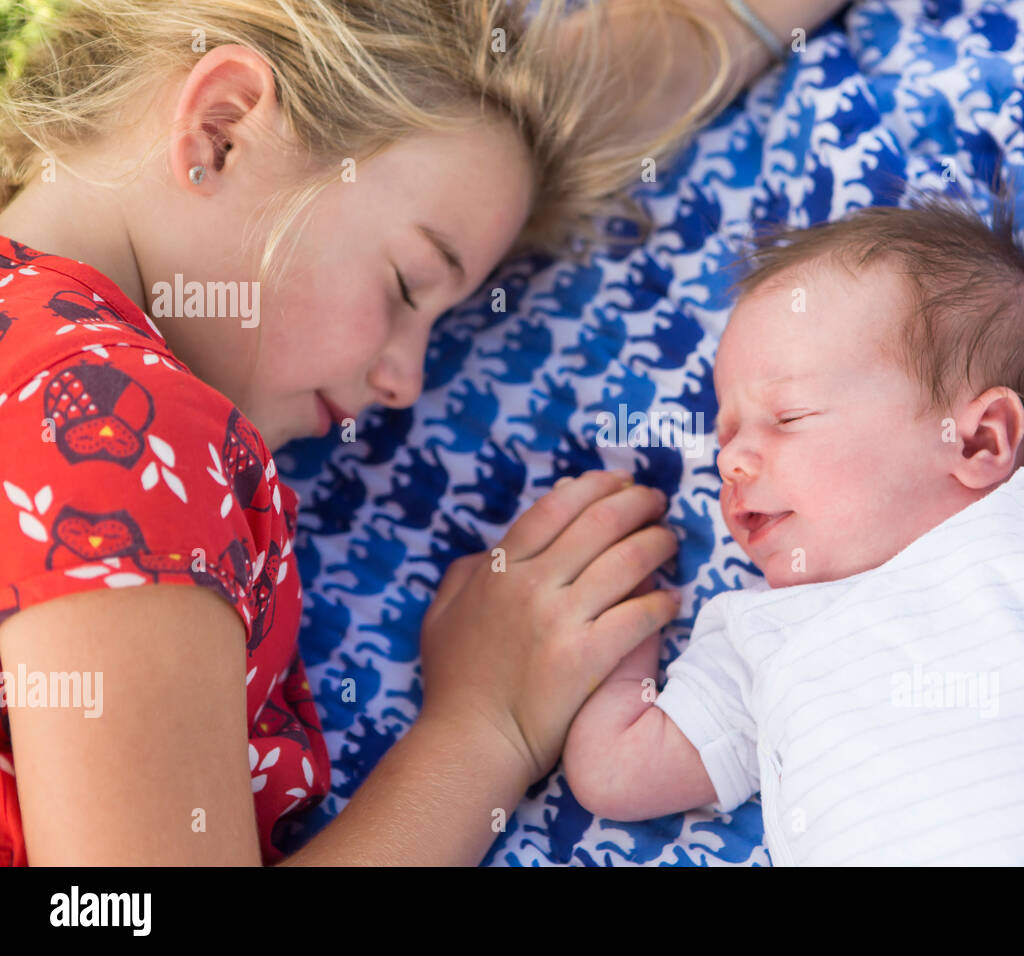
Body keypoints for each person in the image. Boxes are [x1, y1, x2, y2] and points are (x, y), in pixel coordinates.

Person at [0, 0, 847, 866]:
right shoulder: (115, 418)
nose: (405, 383)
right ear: (219, 130)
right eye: (408, 286)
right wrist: (488, 725)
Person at [561, 79, 1024, 864]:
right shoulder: (757, 636)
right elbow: (618, 770)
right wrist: (627, 617)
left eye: (789, 419)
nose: (731, 460)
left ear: (978, 443)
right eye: (726, 432)